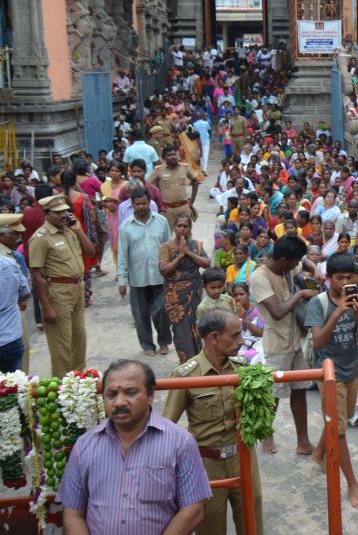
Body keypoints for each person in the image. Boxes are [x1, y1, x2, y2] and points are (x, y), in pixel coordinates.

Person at [57, 360, 212, 535]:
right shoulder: (85, 445)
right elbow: (72, 513)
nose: (119, 402)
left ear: (151, 395)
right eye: (111, 394)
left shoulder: (180, 442)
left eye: (130, 392)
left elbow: (193, 509)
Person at [163, 311, 264, 535]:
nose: (241, 341)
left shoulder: (243, 369)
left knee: (252, 522)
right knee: (210, 524)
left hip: (243, 456)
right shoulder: (185, 376)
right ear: (214, 338)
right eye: (235, 335)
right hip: (206, 465)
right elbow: (166, 426)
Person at [305, 253, 358, 509]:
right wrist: (337, 313)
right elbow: (319, 342)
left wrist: (356, 315)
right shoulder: (319, 304)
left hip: (350, 368)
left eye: (350, 277)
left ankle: (318, 452)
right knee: (340, 430)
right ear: (329, 279)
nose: (345, 282)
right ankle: (353, 484)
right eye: (339, 278)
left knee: (340, 416)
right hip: (328, 372)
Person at [248, 235, 318, 456]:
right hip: (276, 342)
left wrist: (311, 265)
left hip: (296, 339)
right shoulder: (259, 278)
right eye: (295, 261)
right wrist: (300, 294)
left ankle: (303, 441)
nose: (298, 265)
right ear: (284, 260)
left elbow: (306, 263)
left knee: (300, 390)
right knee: (274, 395)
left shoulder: (288, 269)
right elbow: (277, 313)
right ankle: (267, 434)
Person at [28, 194, 96, 377]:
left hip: (77, 289)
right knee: (61, 347)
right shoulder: (40, 238)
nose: (63, 215)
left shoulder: (70, 230)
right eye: (57, 212)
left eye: (65, 211)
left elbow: (90, 252)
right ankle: (61, 388)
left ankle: (78, 383)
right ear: (46, 214)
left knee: (79, 342)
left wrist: (79, 231)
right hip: (58, 293)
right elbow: (36, 275)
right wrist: (46, 306)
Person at [117, 188, 173, 357]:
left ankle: (164, 342)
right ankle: (147, 345)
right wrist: (122, 280)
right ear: (132, 205)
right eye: (137, 204)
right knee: (140, 315)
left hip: (159, 276)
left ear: (150, 203)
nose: (141, 207)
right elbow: (122, 254)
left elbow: (169, 248)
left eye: (144, 203)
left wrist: (171, 273)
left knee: (162, 312)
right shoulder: (125, 227)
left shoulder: (162, 222)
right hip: (138, 278)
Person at [158, 214, 210, 363]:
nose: (182, 229)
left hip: (194, 291)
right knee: (181, 330)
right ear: (174, 228)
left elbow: (206, 263)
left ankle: (200, 362)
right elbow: (164, 270)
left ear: (190, 228)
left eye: (185, 226)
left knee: (196, 327)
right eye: (179, 226)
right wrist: (180, 256)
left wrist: (189, 253)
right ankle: (186, 363)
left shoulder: (197, 245)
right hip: (175, 295)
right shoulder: (166, 247)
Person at [0, 214, 29, 372]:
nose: (18, 238)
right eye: (15, 234)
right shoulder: (11, 260)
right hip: (9, 331)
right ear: (2, 235)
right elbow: (25, 292)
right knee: (13, 384)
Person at [149, 144, 200, 229]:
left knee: (186, 235)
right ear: (164, 158)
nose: (172, 157)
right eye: (169, 155)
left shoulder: (184, 167)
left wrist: (192, 201)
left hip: (184, 208)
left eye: (174, 154)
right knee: (167, 237)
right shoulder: (158, 170)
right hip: (167, 210)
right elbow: (148, 186)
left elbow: (195, 181)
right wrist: (157, 203)